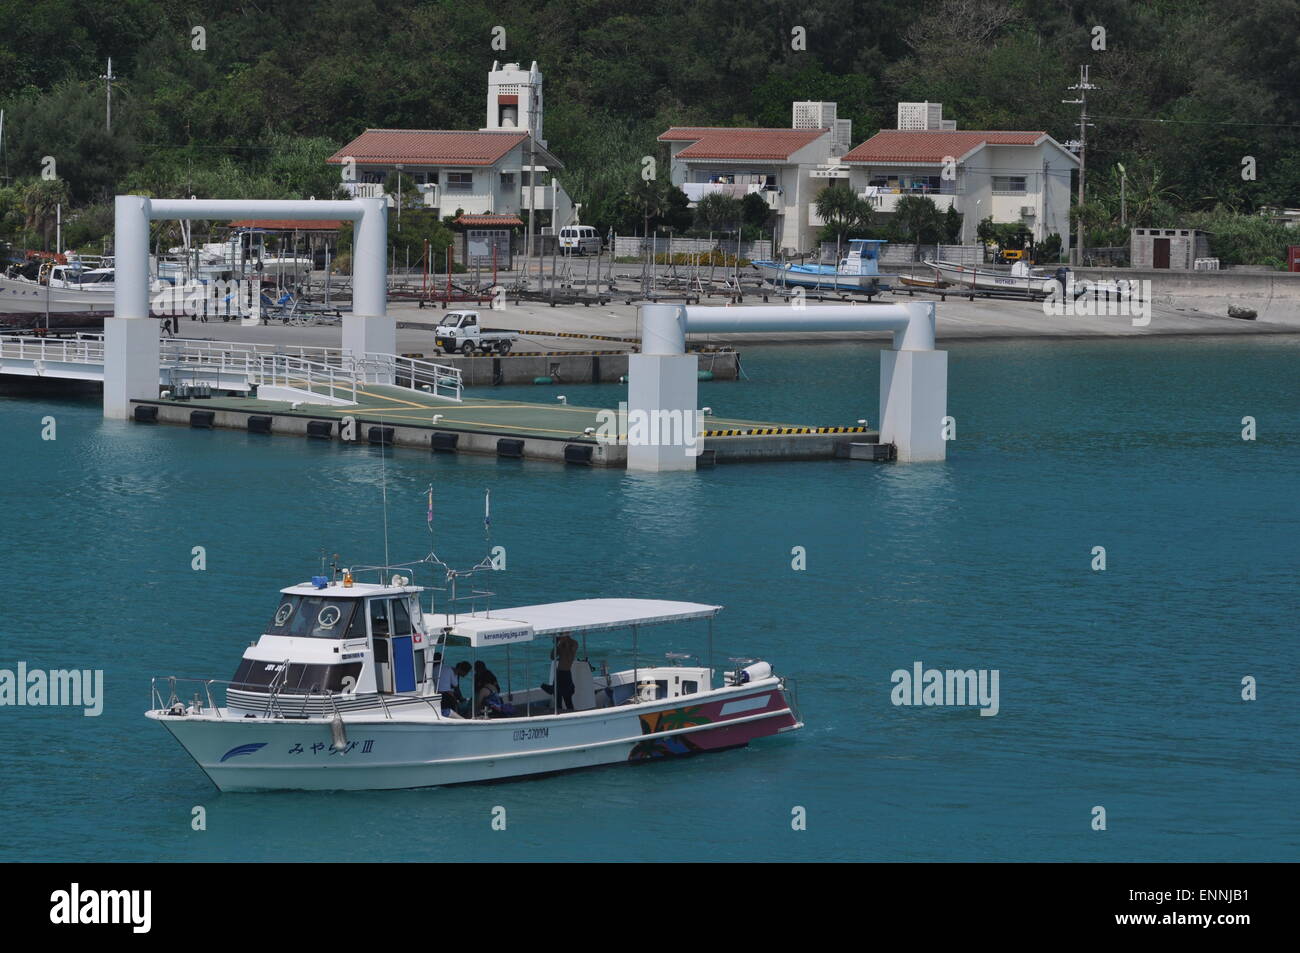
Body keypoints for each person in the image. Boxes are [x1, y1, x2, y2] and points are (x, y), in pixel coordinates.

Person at [552, 633, 578, 712]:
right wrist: (556, 645)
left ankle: (571, 713)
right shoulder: (560, 644)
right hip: (559, 672)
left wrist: (566, 645)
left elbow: (569, 658)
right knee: (557, 696)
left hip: (566, 673)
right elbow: (552, 656)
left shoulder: (573, 643)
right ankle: (558, 713)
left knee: (567, 698)